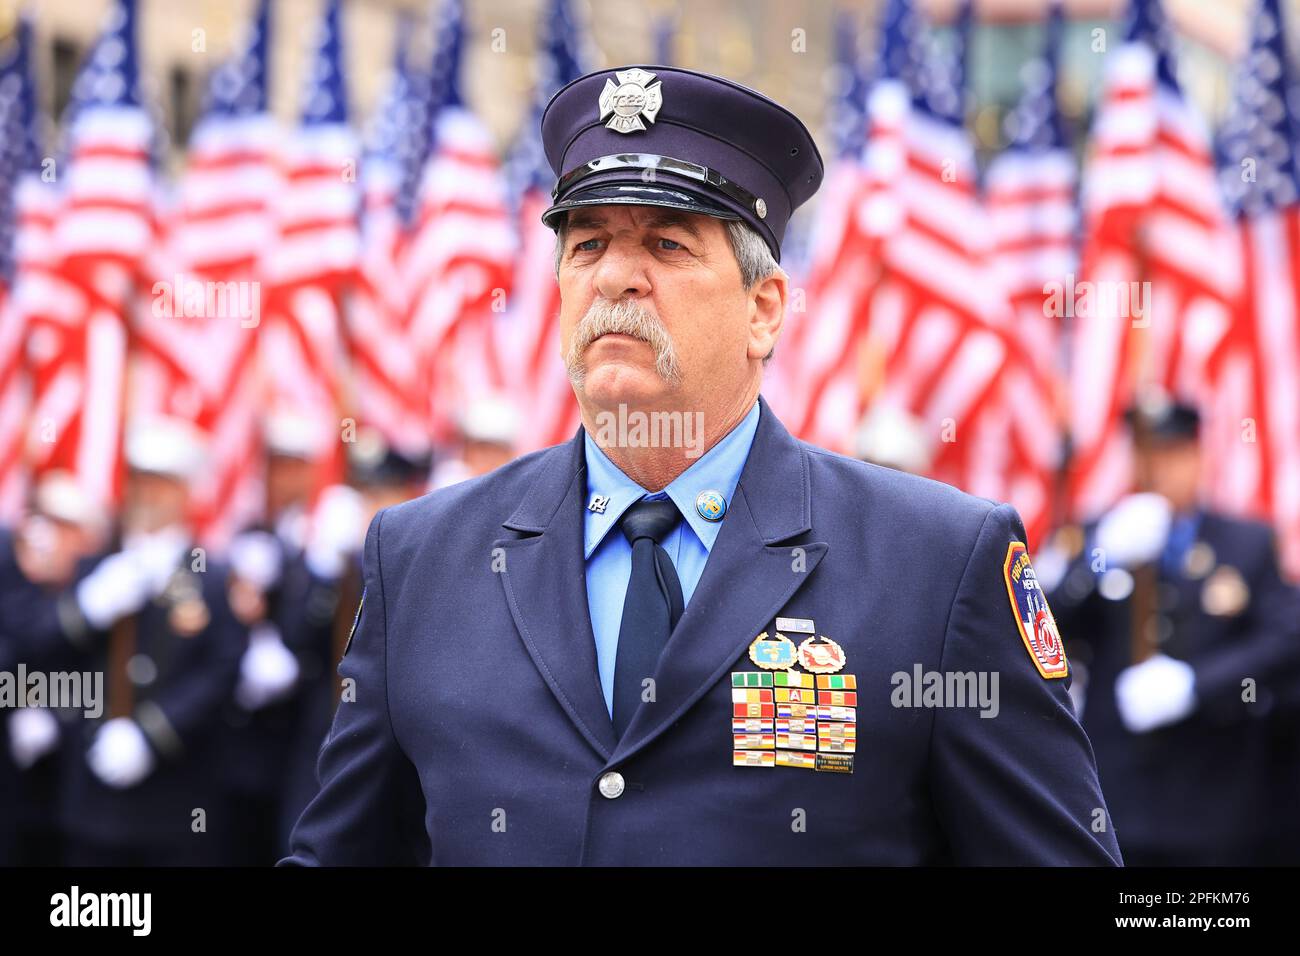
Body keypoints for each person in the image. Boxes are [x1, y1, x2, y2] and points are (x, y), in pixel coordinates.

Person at [283, 65, 1121, 866]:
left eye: (668, 243)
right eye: (587, 243)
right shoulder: (423, 558)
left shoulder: (936, 565)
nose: (616, 276)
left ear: (764, 311)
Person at [1044, 392, 1300, 865]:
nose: (1160, 470)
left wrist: (1195, 686)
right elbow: (1046, 635)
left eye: (1173, 455)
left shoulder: (1245, 542)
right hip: (1118, 785)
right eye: (1148, 455)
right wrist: (1097, 561)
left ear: (1198, 457)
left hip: (1214, 784)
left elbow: (1285, 639)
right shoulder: (1102, 534)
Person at [55, 417, 247, 866]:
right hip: (92, 788)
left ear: (185, 493)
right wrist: (85, 612)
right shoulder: (95, 566)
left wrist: (153, 733)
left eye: (161, 484)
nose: (147, 495)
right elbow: (56, 651)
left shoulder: (210, 576)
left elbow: (223, 668)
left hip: (177, 798)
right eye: (139, 481)